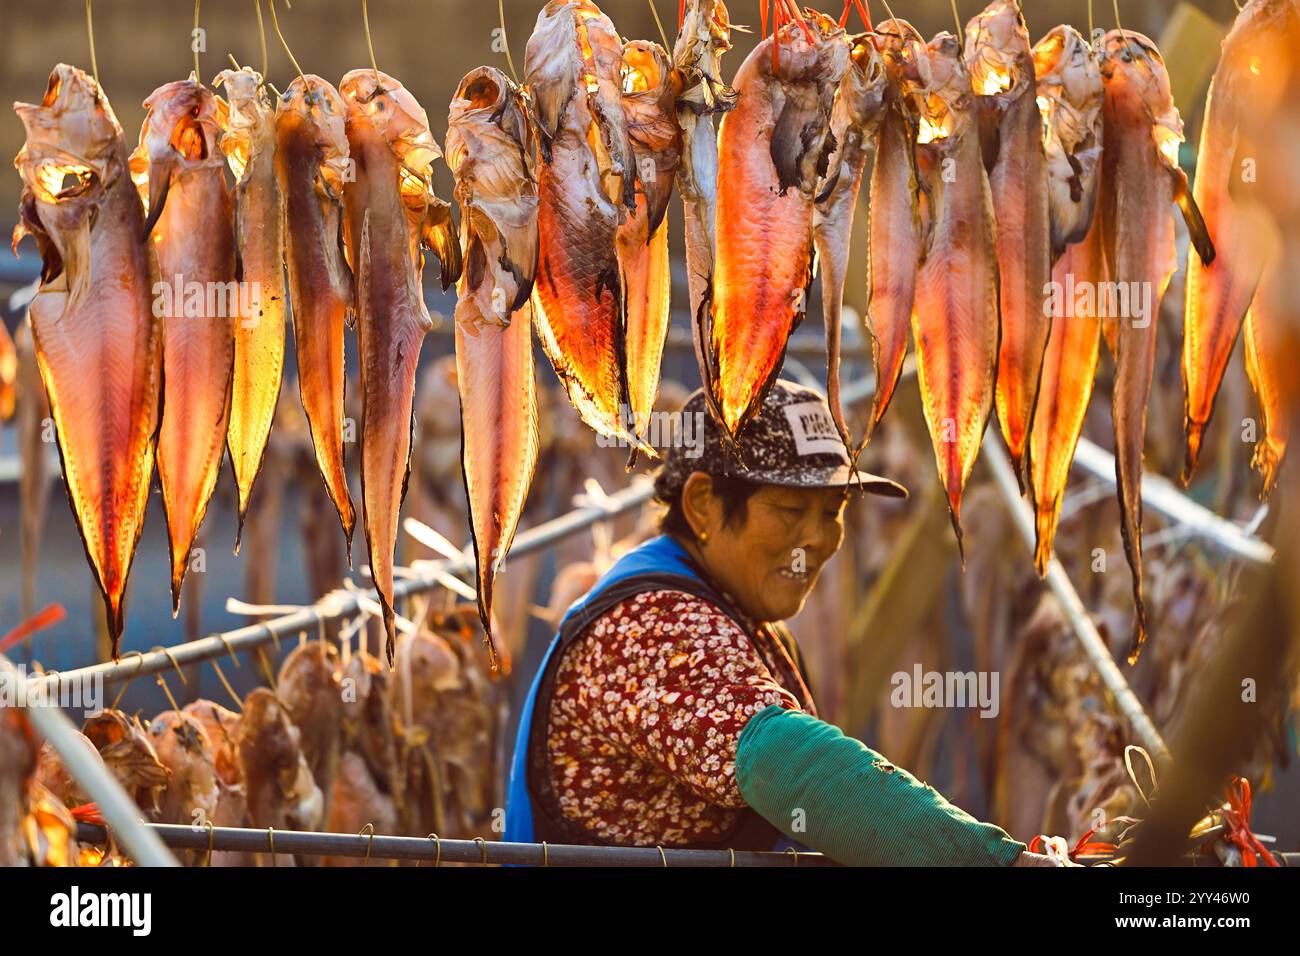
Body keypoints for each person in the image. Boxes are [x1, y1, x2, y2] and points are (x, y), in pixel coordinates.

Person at [505, 380, 1054, 865]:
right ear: (703, 505)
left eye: (833, 511)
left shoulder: (743, 615)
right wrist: (995, 863)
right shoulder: (651, 625)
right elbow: (782, 760)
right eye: (792, 512)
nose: (818, 540)